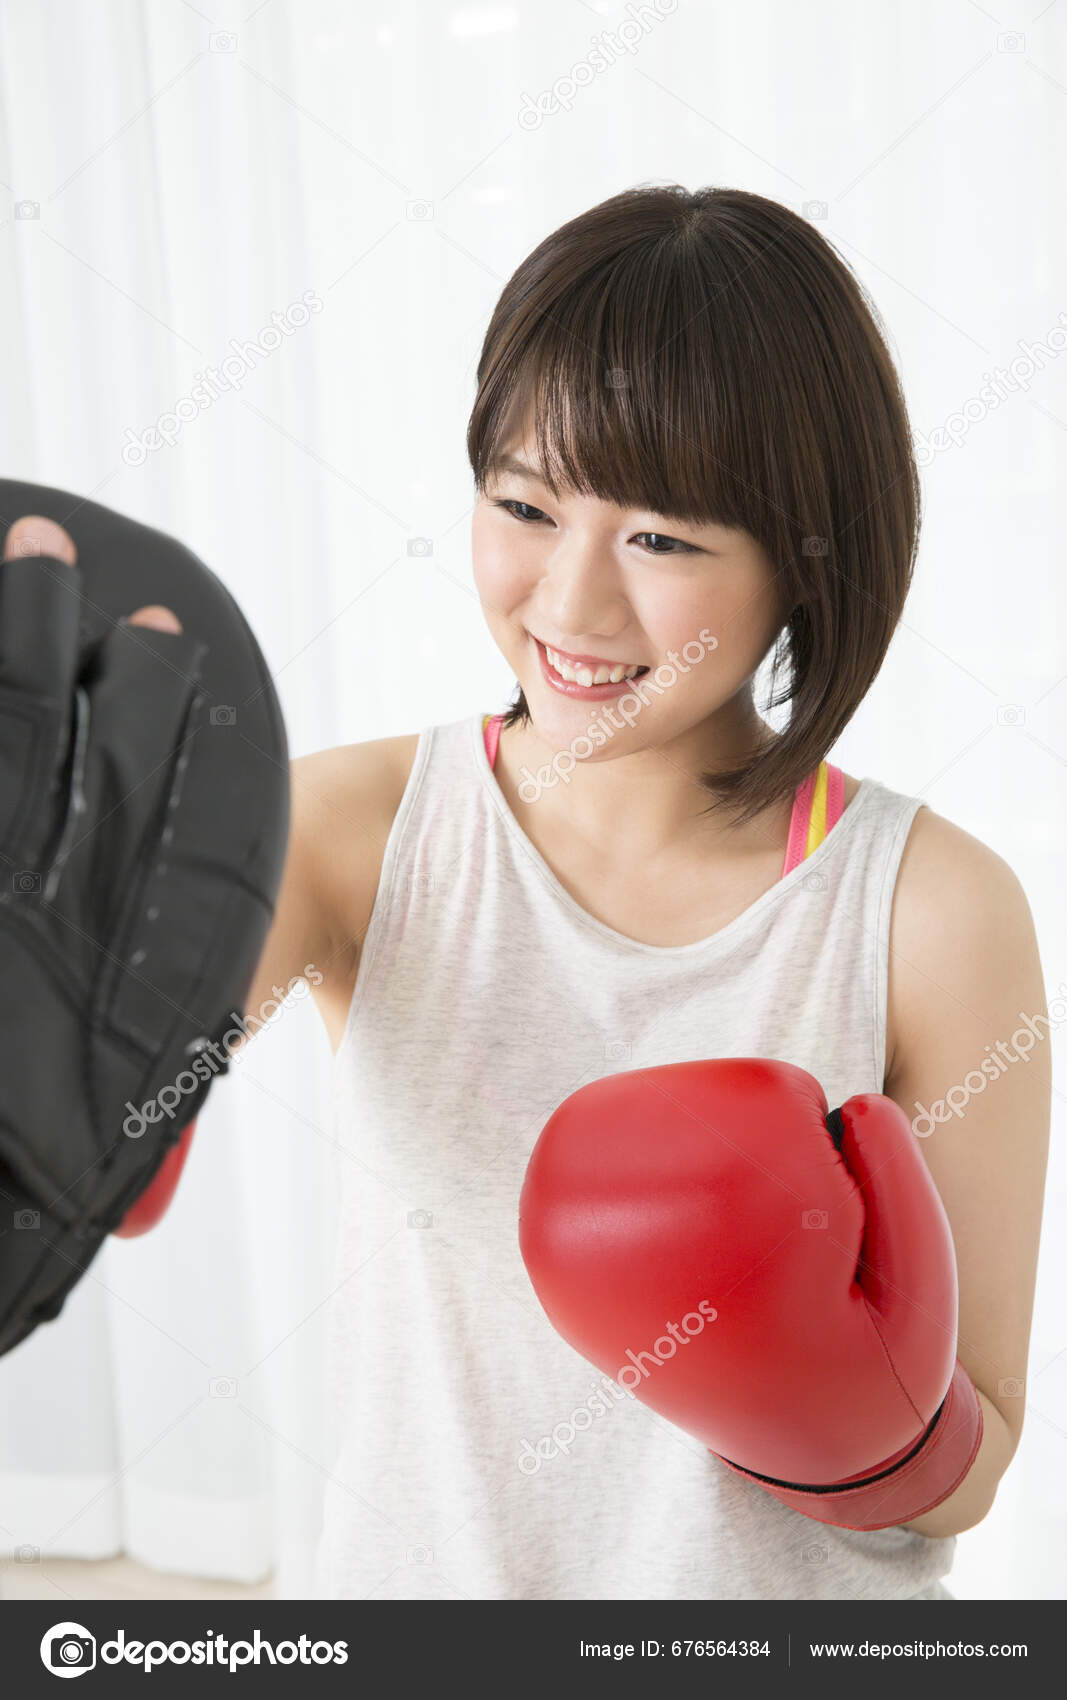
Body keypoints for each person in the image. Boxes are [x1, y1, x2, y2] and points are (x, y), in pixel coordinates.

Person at [22, 184, 1050, 1601]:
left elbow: (982, 1462)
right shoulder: (352, 831)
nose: (570, 604)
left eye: (664, 540)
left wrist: (848, 1412)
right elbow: (80, 1107)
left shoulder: (931, 912)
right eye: (525, 505)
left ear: (804, 561)